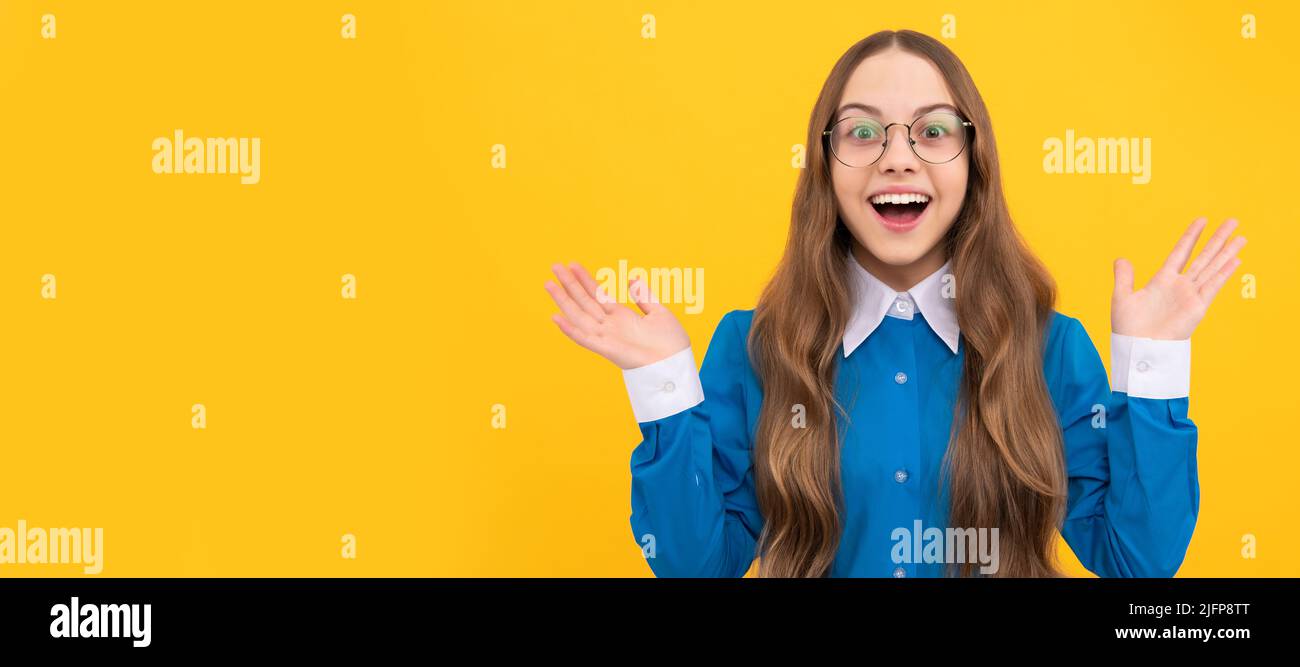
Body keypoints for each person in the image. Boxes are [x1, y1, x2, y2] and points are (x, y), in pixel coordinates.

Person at [543, 30, 1244, 577]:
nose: (898, 157)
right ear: (825, 163)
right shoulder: (754, 347)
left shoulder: (1050, 349)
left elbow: (1139, 563)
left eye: (933, 130)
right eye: (863, 131)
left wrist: (1153, 365)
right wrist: (663, 383)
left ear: (975, 163)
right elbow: (697, 564)